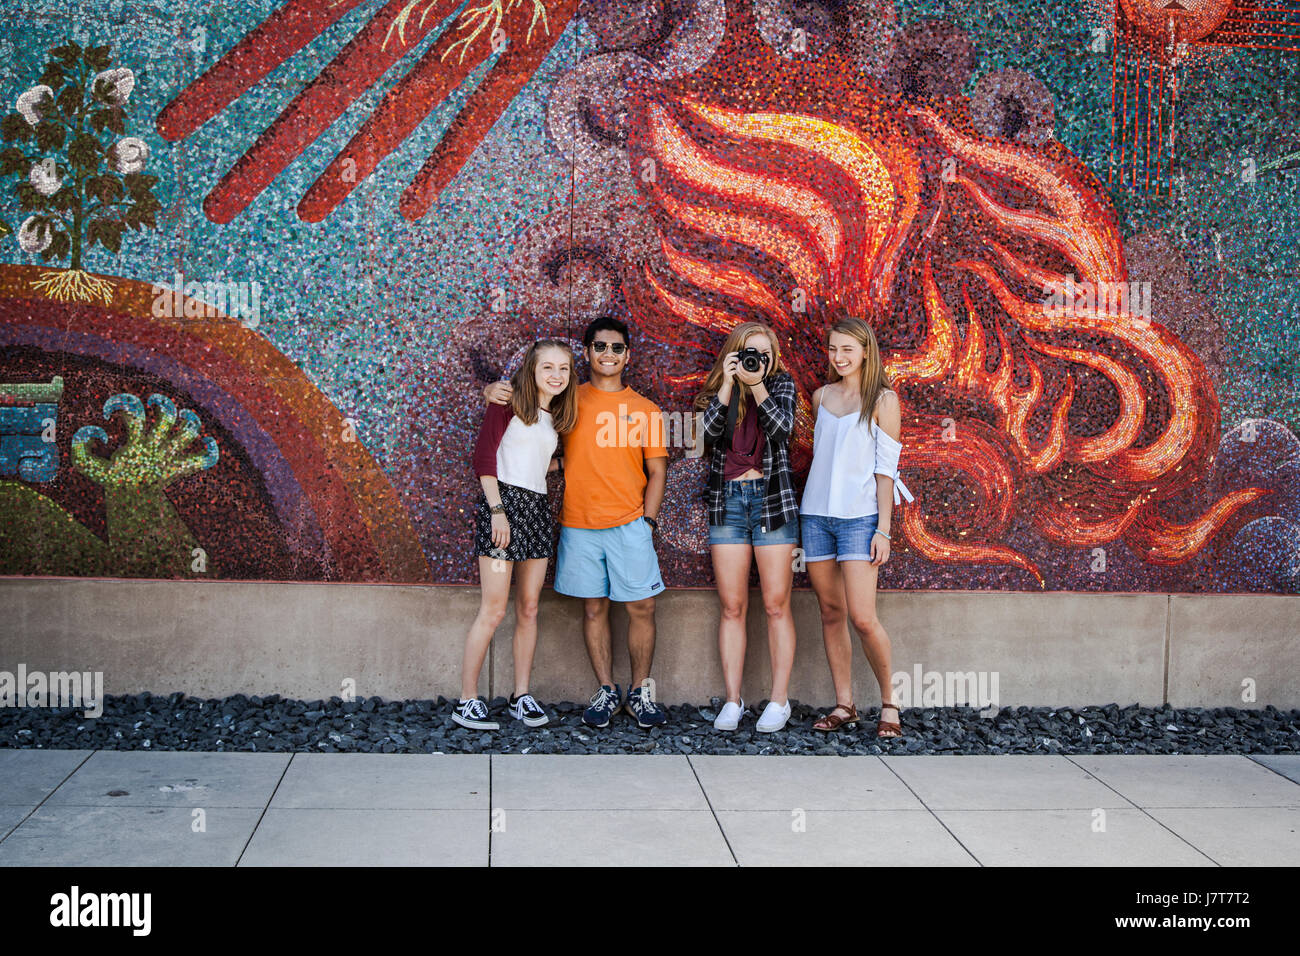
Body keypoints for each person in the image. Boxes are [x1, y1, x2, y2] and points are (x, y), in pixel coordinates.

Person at [484, 317, 669, 728]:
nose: (608, 354)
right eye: (599, 346)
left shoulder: (646, 410)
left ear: (627, 354)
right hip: (579, 524)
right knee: (594, 608)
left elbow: (658, 471)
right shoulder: (568, 399)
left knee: (642, 607)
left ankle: (640, 691)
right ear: (586, 352)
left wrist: (648, 523)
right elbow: (524, 412)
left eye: (617, 348)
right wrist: (492, 393)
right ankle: (606, 689)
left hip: (630, 524)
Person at [454, 340, 578, 730]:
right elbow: (484, 460)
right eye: (548, 368)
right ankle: (467, 700)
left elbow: (537, 464)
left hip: (536, 508)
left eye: (563, 369)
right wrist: (497, 512)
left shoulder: (553, 415)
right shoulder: (505, 403)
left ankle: (520, 696)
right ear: (532, 369)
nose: (556, 375)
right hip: (502, 506)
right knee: (493, 610)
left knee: (529, 608)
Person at [801, 316, 914, 738]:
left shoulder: (883, 400)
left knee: (864, 618)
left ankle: (889, 703)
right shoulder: (820, 396)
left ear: (866, 351)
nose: (839, 357)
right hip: (815, 516)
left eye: (848, 349)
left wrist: (883, 529)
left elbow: (887, 471)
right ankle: (844, 704)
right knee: (831, 612)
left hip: (859, 520)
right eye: (833, 349)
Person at [694, 322, 799, 733]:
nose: (757, 361)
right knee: (732, 606)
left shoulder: (782, 386)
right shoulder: (719, 388)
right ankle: (733, 701)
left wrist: (757, 385)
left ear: (773, 358)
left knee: (776, 605)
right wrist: (728, 383)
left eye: (764, 354)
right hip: (729, 505)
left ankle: (778, 701)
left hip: (773, 503)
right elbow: (701, 440)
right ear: (733, 354)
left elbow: (783, 431)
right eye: (748, 353)